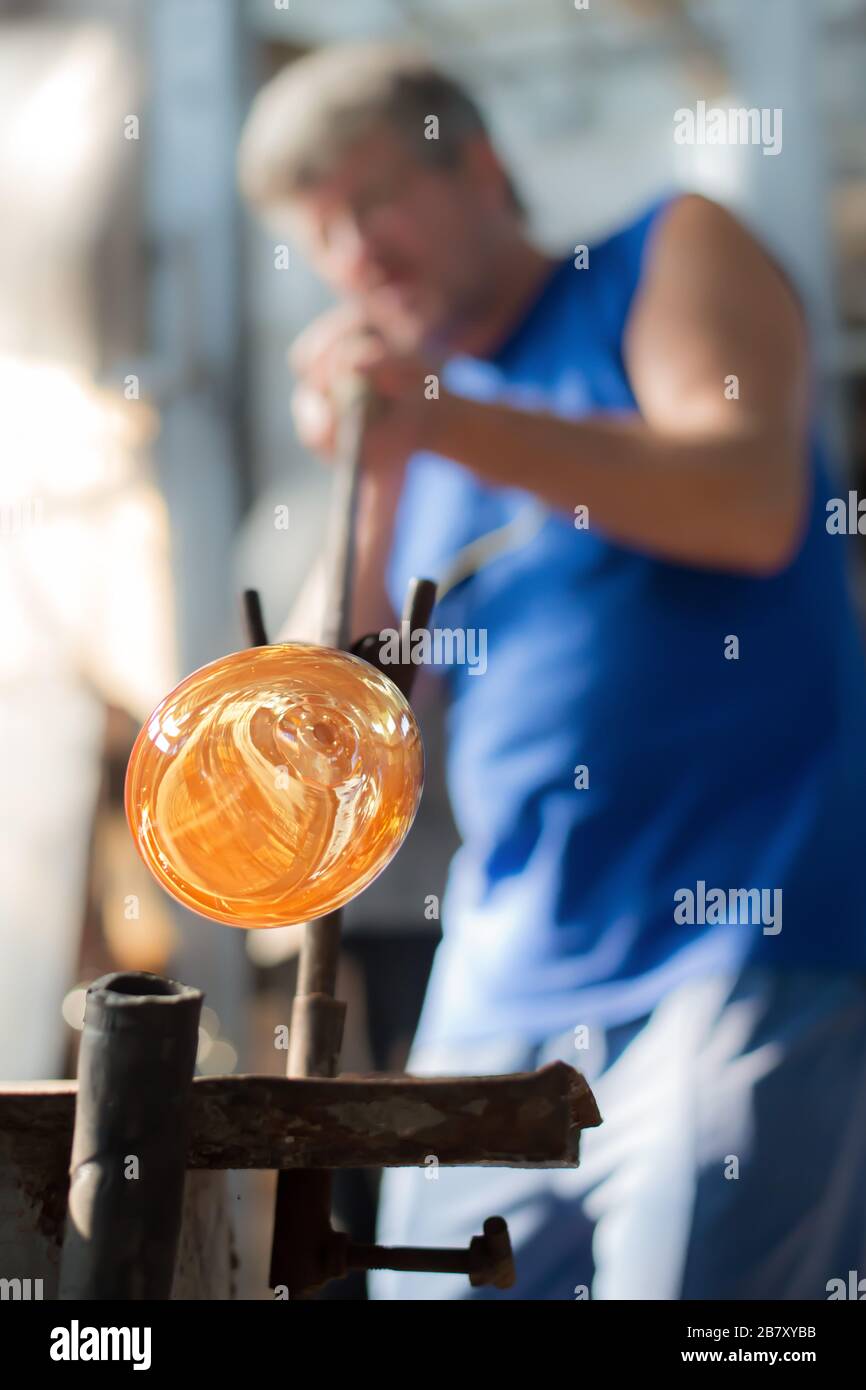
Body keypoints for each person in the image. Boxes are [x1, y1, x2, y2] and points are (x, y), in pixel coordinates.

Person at [238, 43, 866, 1300]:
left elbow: (746, 498)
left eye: (373, 204)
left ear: (478, 167)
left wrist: (434, 412)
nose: (354, 257)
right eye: (322, 236)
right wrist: (376, 470)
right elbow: (332, 739)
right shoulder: (424, 417)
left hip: (738, 940)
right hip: (507, 968)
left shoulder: (664, 253)